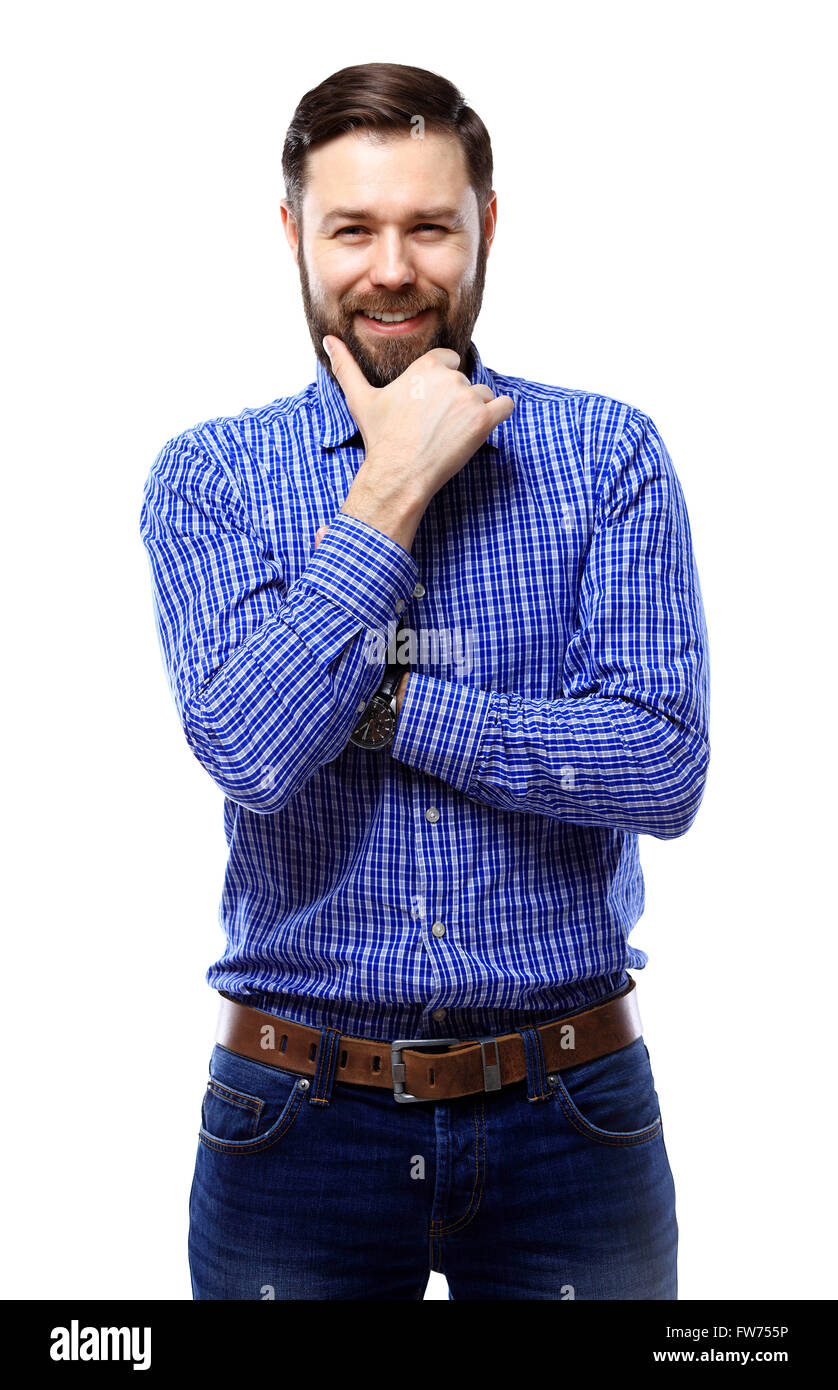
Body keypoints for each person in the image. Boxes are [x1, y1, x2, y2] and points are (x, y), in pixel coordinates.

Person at [138, 61, 711, 1301]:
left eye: (429, 228)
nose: (391, 269)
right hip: (293, 1116)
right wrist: (389, 489)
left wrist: (379, 703)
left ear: (484, 225)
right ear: (294, 234)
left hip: (573, 1105)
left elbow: (661, 762)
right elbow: (248, 746)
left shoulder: (605, 452)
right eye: (352, 229)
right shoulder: (211, 476)